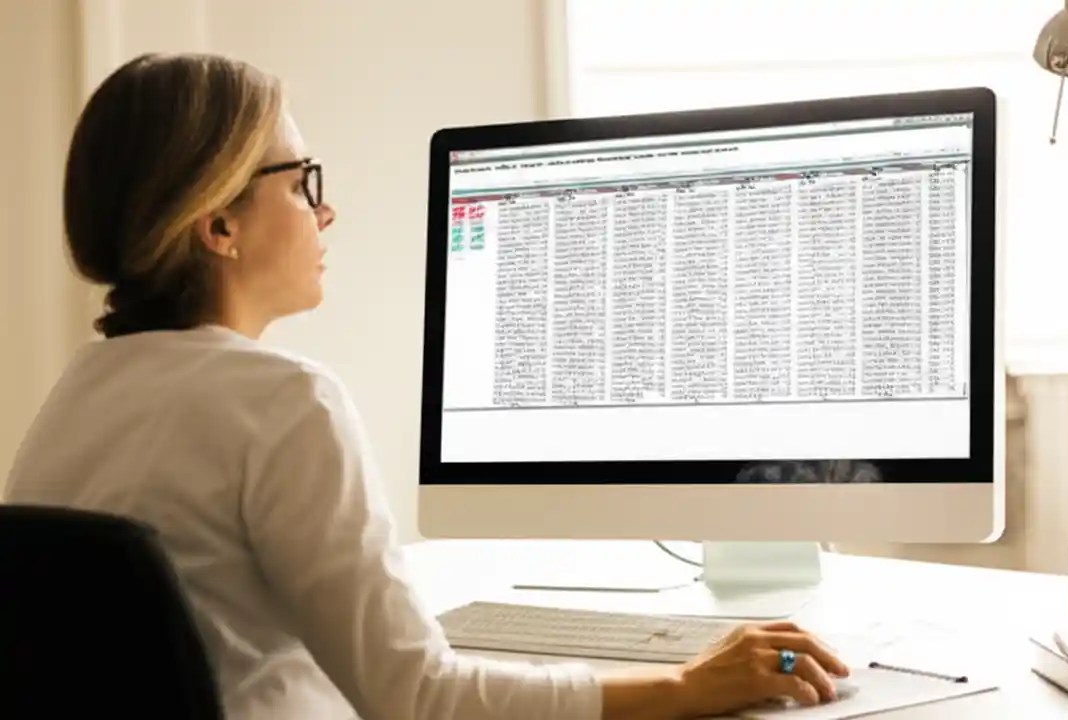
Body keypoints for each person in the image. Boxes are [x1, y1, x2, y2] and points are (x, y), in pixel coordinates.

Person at [2, 53, 849, 720]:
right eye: (300, 183)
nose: (322, 212)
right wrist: (686, 686)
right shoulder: (283, 400)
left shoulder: (78, 395)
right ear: (219, 225)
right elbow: (421, 700)